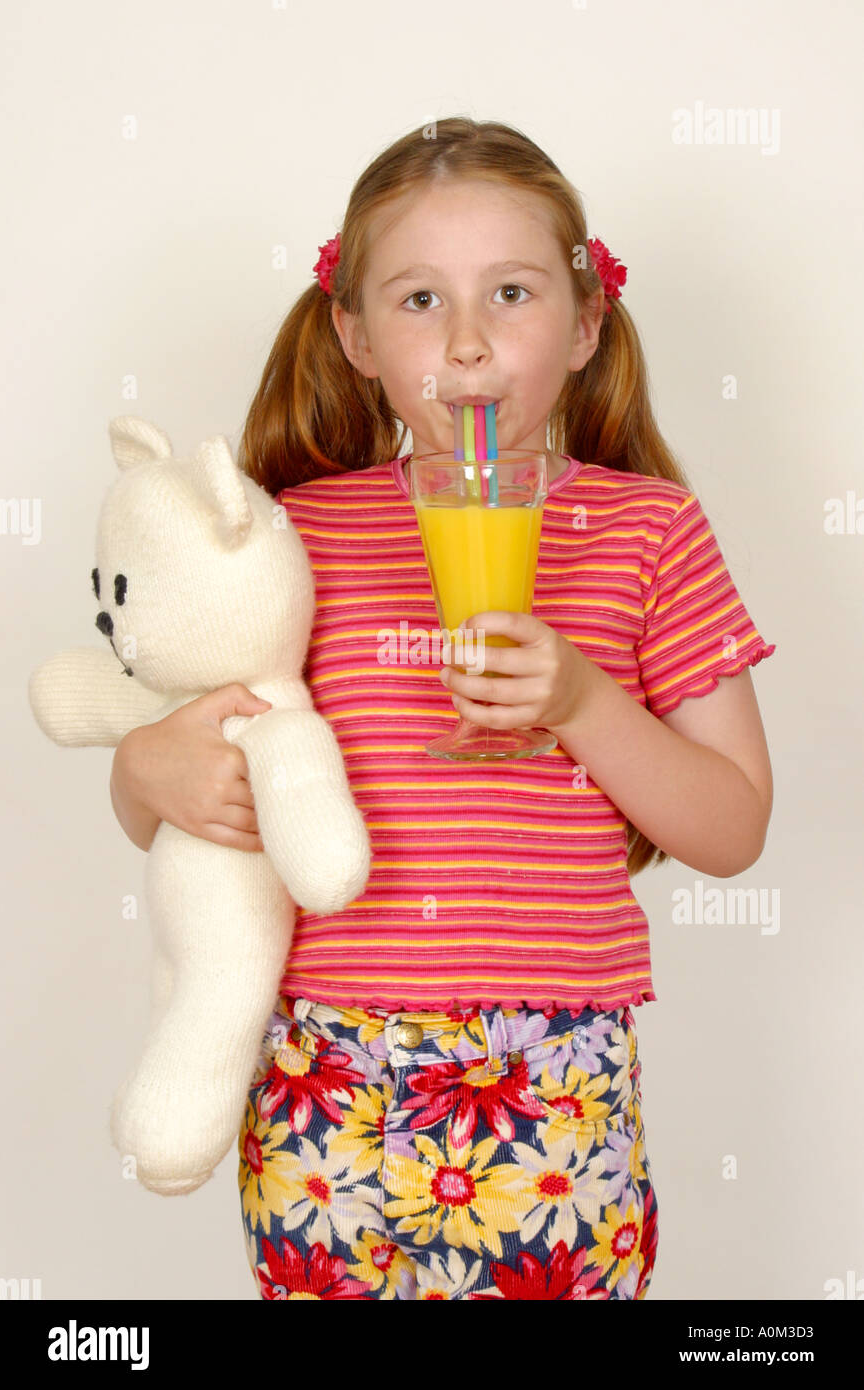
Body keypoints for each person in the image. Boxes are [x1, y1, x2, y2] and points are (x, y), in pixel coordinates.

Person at [110, 117, 776, 1300]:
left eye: (509, 293)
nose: (466, 344)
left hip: (553, 1068)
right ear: (354, 337)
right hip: (327, 1064)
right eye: (419, 301)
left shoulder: (646, 532)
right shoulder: (294, 534)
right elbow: (177, 777)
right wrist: (142, 774)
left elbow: (729, 829)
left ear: (581, 326)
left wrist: (579, 699)